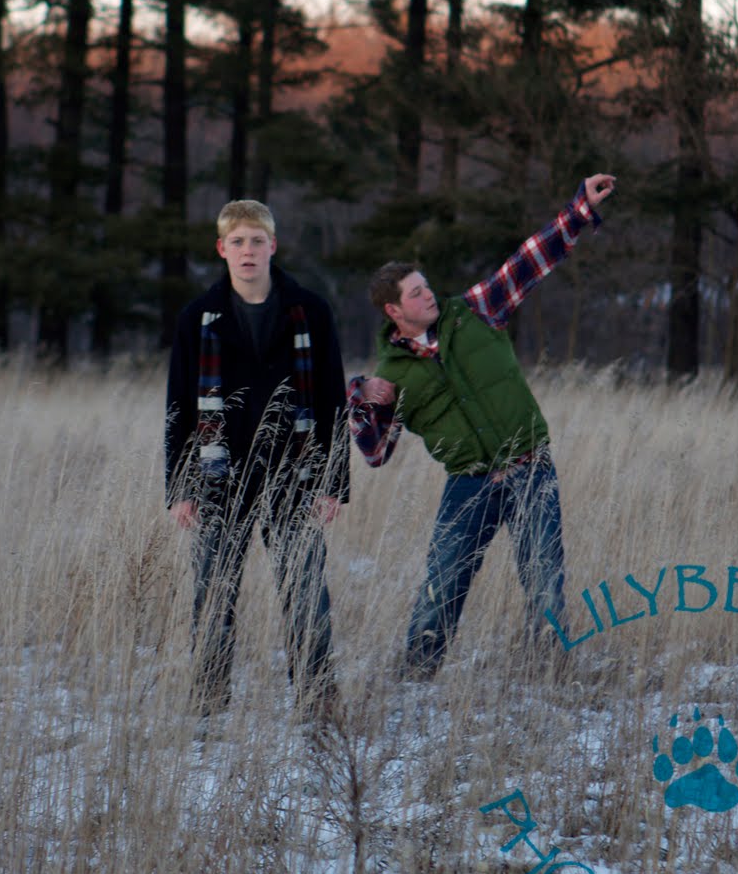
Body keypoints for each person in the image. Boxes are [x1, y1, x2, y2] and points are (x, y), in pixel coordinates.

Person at [347, 174, 615, 680]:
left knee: (544, 581)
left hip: (529, 466)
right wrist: (361, 406)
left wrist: (580, 209)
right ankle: (417, 680)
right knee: (442, 585)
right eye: (417, 293)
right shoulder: (392, 376)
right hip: (468, 483)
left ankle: (548, 675)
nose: (429, 296)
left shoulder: (474, 312)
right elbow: (376, 452)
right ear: (393, 310)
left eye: (426, 286)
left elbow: (530, 261)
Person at [165, 199, 348, 724]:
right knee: (212, 597)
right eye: (238, 242)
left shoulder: (308, 310)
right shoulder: (197, 317)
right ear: (221, 249)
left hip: (294, 473)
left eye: (257, 241)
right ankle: (209, 705)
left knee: (307, 593)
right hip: (217, 477)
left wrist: (332, 481)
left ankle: (317, 703)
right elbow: (178, 404)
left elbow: (333, 397)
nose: (248, 251)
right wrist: (179, 486)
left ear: (274, 246)